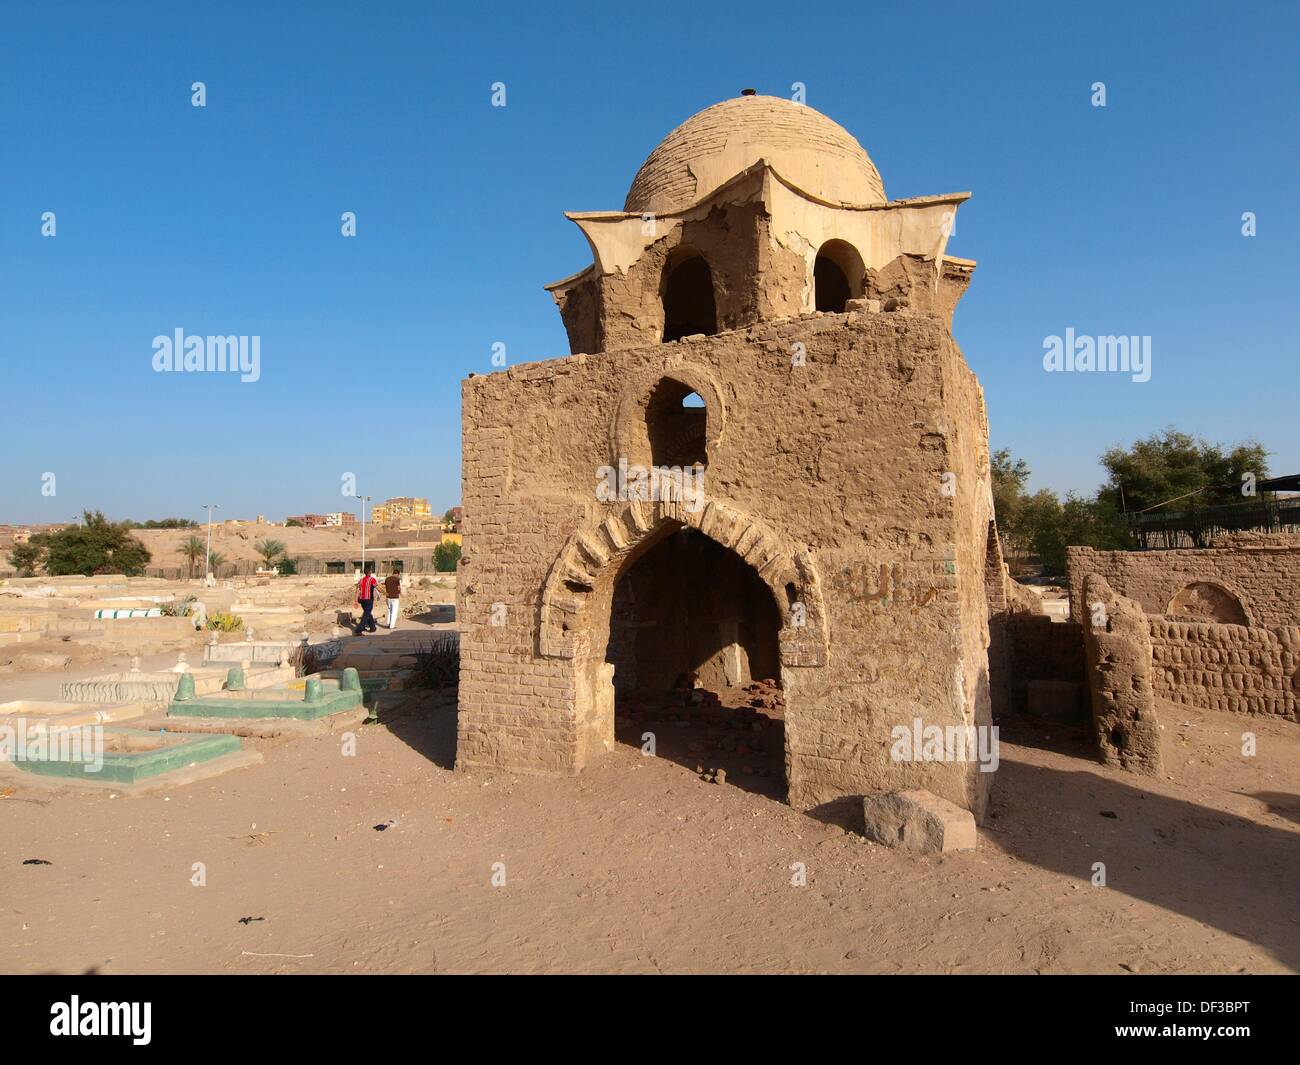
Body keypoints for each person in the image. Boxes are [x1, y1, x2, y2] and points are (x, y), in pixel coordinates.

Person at [354, 568, 379, 634]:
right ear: (370, 572)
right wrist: (385, 592)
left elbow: (357, 591)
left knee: (367, 613)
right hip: (368, 600)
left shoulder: (361, 580)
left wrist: (356, 601)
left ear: (364, 572)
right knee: (366, 615)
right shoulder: (372, 579)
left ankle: (373, 627)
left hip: (362, 600)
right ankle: (359, 630)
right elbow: (378, 587)